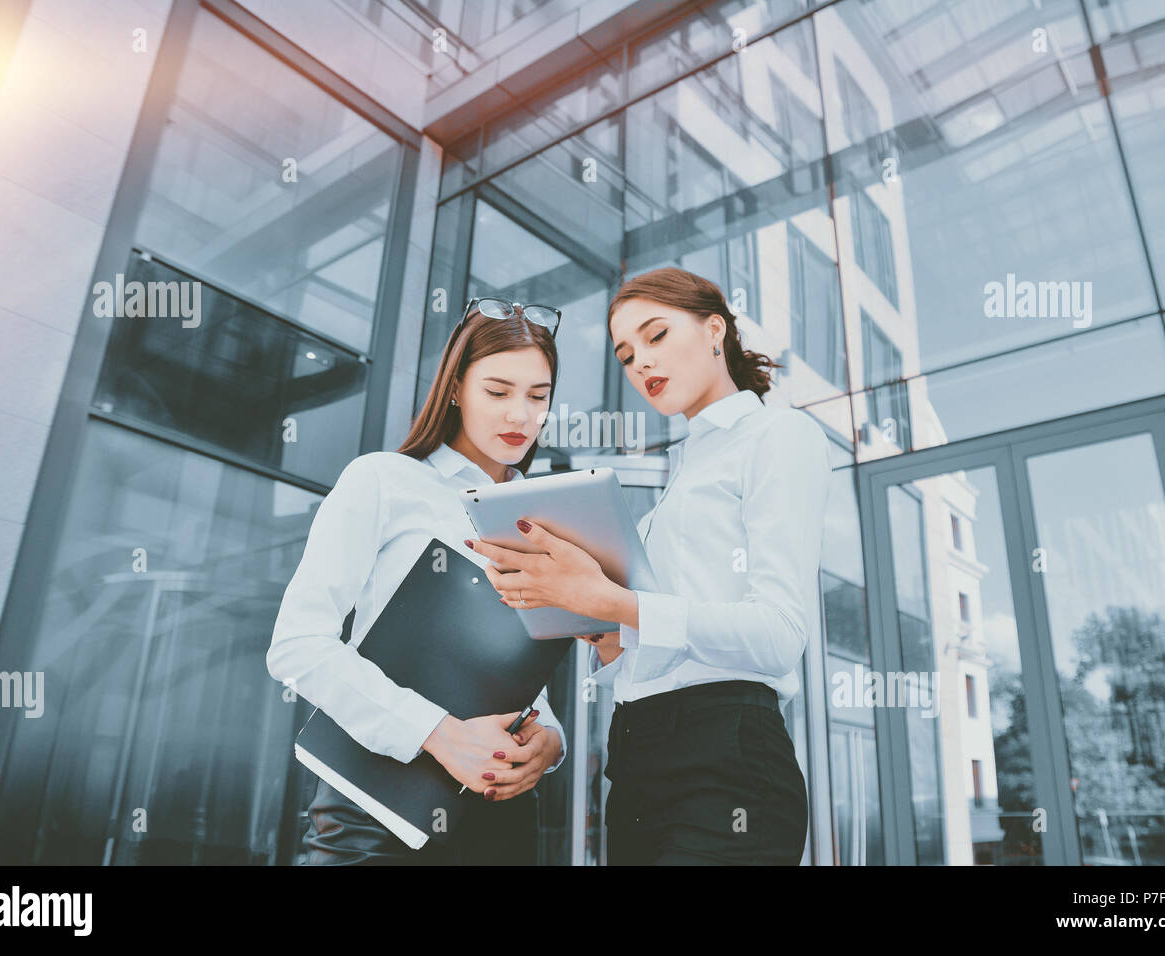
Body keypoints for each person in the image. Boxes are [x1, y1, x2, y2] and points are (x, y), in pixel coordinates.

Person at [468, 267, 832, 865]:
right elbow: (653, 642)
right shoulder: (681, 473)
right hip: (637, 753)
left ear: (715, 329)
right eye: (626, 353)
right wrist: (600, 630)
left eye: (657, 335)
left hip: (727, 758)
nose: (640, 363)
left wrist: (608, 601)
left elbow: (780, 636)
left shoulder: (778, 435)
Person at [268, 296, 570, 865]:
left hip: (497, 821)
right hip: (376, 815)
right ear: (455, 388)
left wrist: (549, 741)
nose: (520, 416)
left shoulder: (543, 522)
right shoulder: (384, 481)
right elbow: (297, 647)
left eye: (538, 396)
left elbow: (517, 670)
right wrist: (439, 733)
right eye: (498, 391)